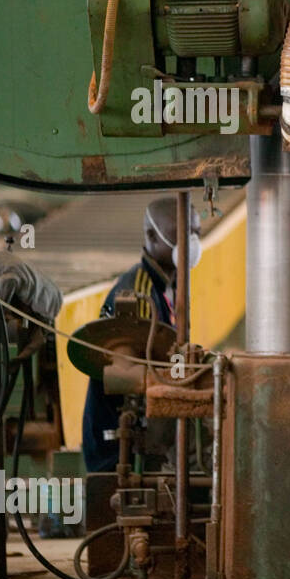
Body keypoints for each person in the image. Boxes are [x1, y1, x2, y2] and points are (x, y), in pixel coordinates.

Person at [81, 198, 201, 472]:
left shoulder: (170, 284)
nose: (191, 241)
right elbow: (133, 375)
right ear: (150, 236)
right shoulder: (139, 293)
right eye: (179, 233)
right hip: (118, 448)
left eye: (195, 232)